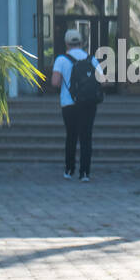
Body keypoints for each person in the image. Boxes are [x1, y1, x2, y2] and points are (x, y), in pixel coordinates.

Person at [49, 29, 103, 183]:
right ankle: (85, 172)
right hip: (88, 103)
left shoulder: (61, 60)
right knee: (86, 137)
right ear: (81, 43)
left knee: (71, 136)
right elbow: (103, 80)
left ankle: (69, 169)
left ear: (66, 43)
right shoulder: (91, 59)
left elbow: (55, 82)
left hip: (69, 103)